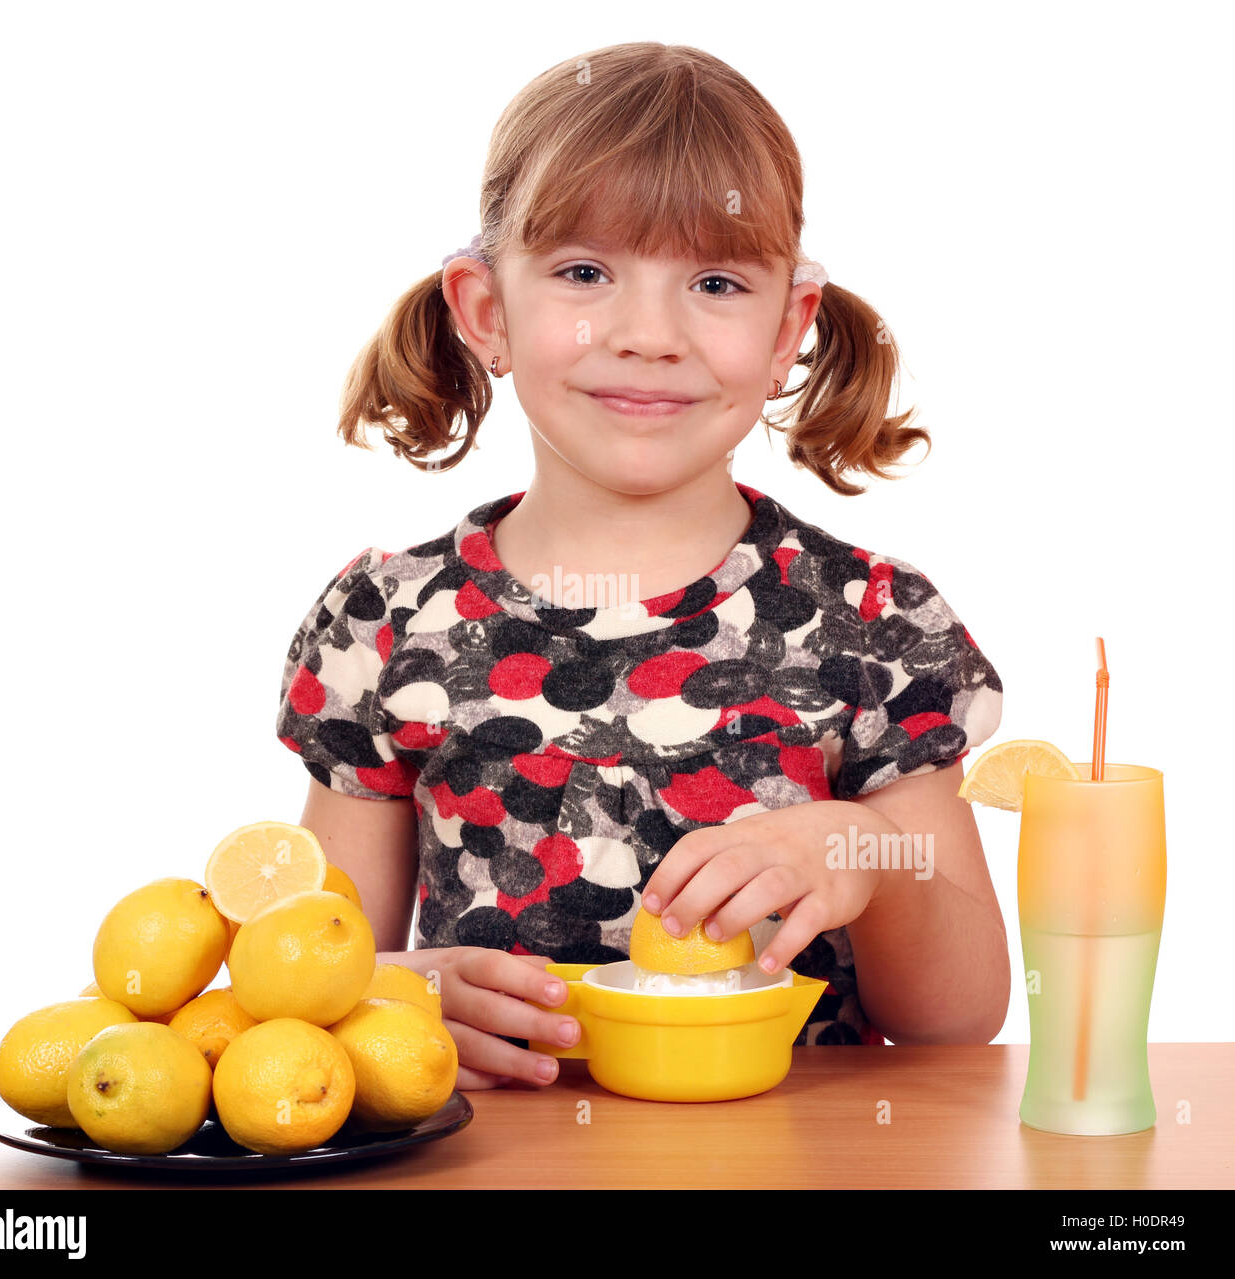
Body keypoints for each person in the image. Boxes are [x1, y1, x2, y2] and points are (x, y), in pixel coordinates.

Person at [275, 42, 1007, 1092]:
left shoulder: (872, 619)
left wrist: (862, 852)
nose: (649, 334)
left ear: (786, 328)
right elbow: (315, 981)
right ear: (488, 312)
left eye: (715, 282)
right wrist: (407, 992)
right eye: (584, 273)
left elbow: (955, 1023)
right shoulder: (386, 622)